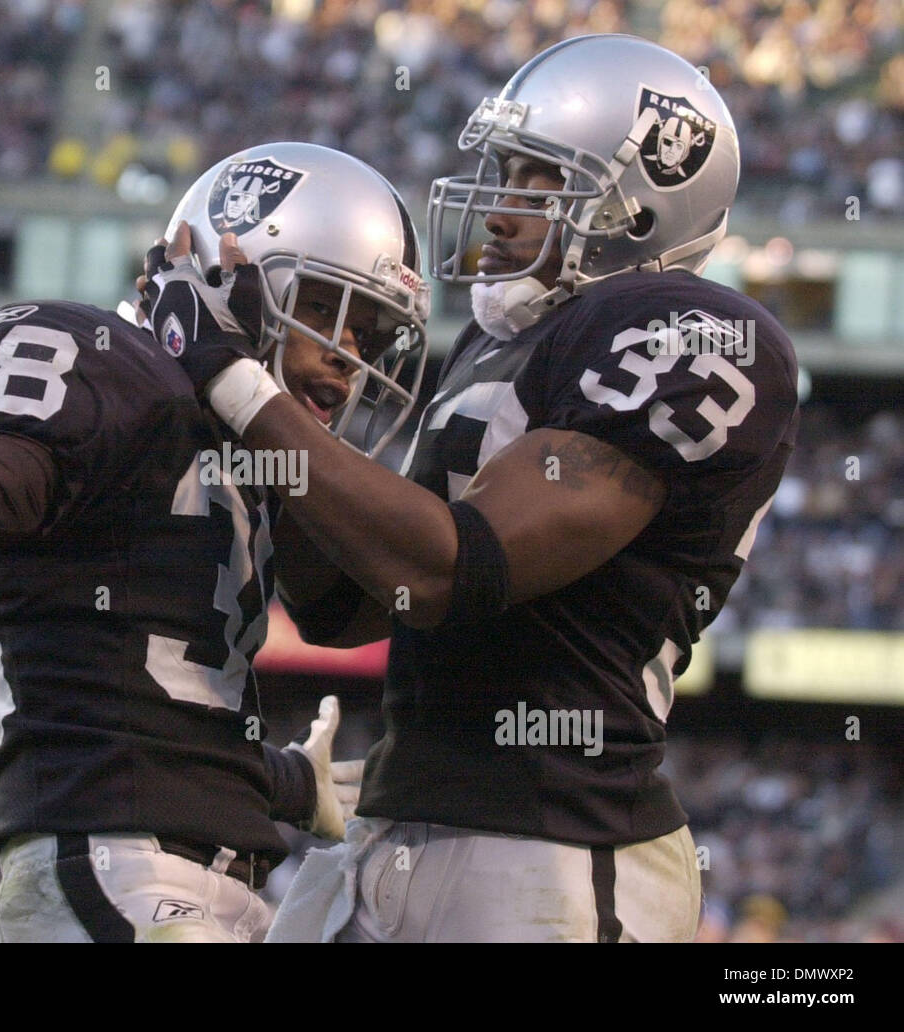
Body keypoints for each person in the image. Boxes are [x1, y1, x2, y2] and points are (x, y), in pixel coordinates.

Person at [141, 35, 800, 942]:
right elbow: (348, 603)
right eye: (505, 169)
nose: (501, 207)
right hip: (398, 825)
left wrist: (233, 382)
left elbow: (463, 565)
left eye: (540, 179)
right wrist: (274, 384)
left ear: (643, 206)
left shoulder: (698, 330)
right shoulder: (494, 343)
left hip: (552, 842)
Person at [0, 142, 429, 942]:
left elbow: (165, 703)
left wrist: (284, 783)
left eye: (373, 340)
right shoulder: (102, 364)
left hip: (197, 887)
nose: (351, 362)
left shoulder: (240, 433)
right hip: (111, 876)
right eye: (336, 315)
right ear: (247, 269)